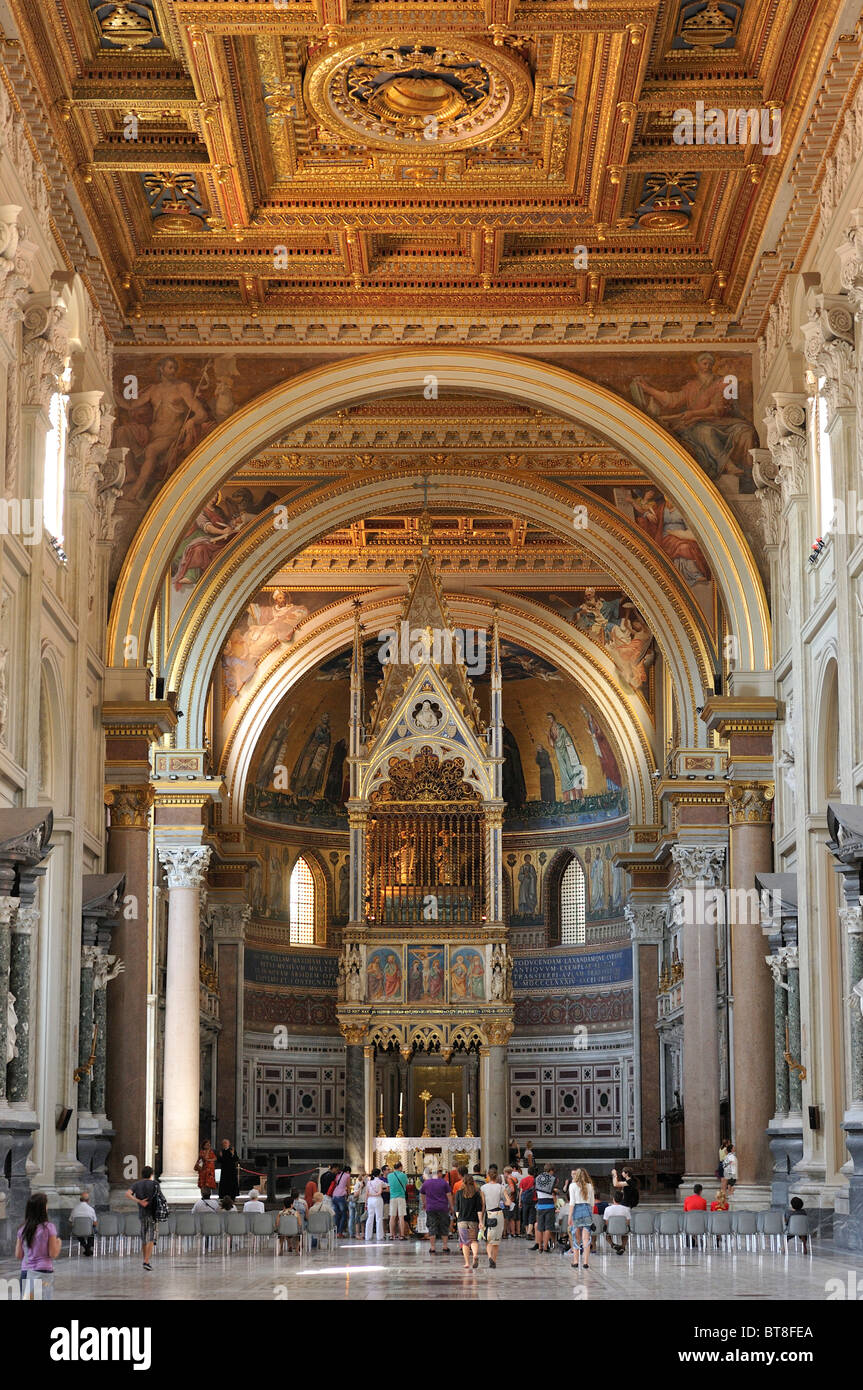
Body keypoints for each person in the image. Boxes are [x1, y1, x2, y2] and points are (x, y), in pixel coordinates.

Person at [16, 1192, 61, 1300]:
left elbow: (18, 1255)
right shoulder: (48, 1228)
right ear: (42, 1208)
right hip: (42, 1272)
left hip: (25, 1272)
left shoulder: (22, 1229)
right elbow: (53, 1253)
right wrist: (58, 1243)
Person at [126, 1164, 158, 1271]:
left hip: (142, 1213)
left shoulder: (136, 1184)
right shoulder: (154, 1184)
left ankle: (145, 1259)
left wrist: (139, 1201)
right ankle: (146, 1261)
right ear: (151, 1174)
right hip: (152, 1213)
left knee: (144, 1237)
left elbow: (128, 1194)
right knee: (151, 1237)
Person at [420, 1167, 454, 1255]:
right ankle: (445, 1246)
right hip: (443, 1207)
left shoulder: (426, 1183)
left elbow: (422, 1194)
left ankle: (432, 1247)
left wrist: (424, 1203)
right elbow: (449, 1195)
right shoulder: (444, 1183)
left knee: (432, 1226)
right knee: (444, 1226)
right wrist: (451, 1206)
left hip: (431, 1208)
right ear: (438, 1174)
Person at [480, 1169, 509, 1269]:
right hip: (499, 1214)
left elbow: (483, 1204)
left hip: (488, 1214)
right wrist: (503, 1203)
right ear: (497, 1177)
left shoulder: (483, 1188)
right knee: (496, 1240)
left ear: (488, 1176)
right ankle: (494, 1260)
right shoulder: (501, 1187)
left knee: (488, 1238)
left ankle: (489, 1257)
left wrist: (481, 1219)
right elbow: (508, 1202)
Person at [568, 1168, 595, 1270]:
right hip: (587, 1210)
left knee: (576, 1237)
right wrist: (590, 1215)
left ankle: (575, 1261)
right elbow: (592, 1203)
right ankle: (585, 1262)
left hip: (576, 1211)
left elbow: (572, 1203)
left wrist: (570, 1217)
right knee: (586, 1238)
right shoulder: (590, 1186)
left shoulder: (572, 1186)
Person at [456, 1172, 484, 1270]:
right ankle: (475, 1255)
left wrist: (458, 1220)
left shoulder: (459, 1193)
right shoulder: (476, 1193)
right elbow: (479, 1209)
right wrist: (480, 1221)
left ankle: (467, 1263)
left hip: (462, 1221)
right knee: (473, 1240)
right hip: (473, 1221)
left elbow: (457, 1209)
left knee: (465, 1243)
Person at [531, 1163, 558, 1252]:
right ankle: (546, 1247)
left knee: (539, 1227)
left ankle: (539, 1247)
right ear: (551, 1171)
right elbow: (552, 1191)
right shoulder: (552, 1179)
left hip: (540, 1204)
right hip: (549, 1205)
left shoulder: (538, 1178)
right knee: (548, 1227)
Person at [70, 1189, 97, 1256]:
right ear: (88, 1200)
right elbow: (95, 1223)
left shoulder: (75, 1209)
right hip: (89, 1231)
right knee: (93, 1230)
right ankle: (88, 1247)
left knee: (76, 1230)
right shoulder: (91, 1209)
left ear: (80, 1199)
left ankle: (85, 1246)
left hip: (77, 1231)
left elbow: (70, 1221)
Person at [388, 1161, 409, 1241]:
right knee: (401, 1217)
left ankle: (391, 1235)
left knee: (392, 1217)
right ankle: (402, 1235)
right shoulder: (404, 1175)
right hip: (401, 1197)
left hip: (392, 1197)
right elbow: (406, 1184)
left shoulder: (389, 1176)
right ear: (400, 1167)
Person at [365, 1168, 386, 1242]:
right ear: (379, 1174)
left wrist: (366, 1204)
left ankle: (367, 1236)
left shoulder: (369, 1182)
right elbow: (384, 1188)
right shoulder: (380, 1182)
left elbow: (366, 1194)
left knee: (370, 1218)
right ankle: (379, 1236)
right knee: (379, 1218)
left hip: (370, 1200)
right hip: (378, 1199)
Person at [332, 1164, 350, 1237]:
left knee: (337, 1215)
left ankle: (335, 1232)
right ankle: (340, 1232)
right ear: (348, 1171)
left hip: (334, 1195)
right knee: (344, 1215)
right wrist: (349, 1195)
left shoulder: (338, 1175)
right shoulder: (347, 1175)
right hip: (341, 1196)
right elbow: (348, 1186)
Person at [349, 1171, 367, 1239]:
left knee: (363, 1219)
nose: (366, 1178)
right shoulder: (358, 1184)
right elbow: (355, 1194)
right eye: (364, 1177)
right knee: (358, 1218)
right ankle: (357, 1233)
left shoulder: (367, 1184)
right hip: (359, 1202)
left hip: (364, 1202)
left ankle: (363, 1233)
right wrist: (360, 1187)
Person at [519, 1168, 536, 1239]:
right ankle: (529, 1232)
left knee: (525, 1215)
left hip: (525, 1200)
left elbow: (521, 1191)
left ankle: (527, 1232)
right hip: (533, 1199)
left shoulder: (523, 1180)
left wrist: (520, 1201)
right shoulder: (535, 1180)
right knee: (532, 1216)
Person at [503, 1166, 519, 1239]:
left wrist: (507, 1193)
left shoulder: (509, 1179)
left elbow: (512, 1189)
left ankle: (510, 1232)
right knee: (513, 1217)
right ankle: (513, 1232)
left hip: (511, 1200)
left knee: (509, 1218)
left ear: (506, 1172)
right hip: (514, 1199)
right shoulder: (514, 1178)